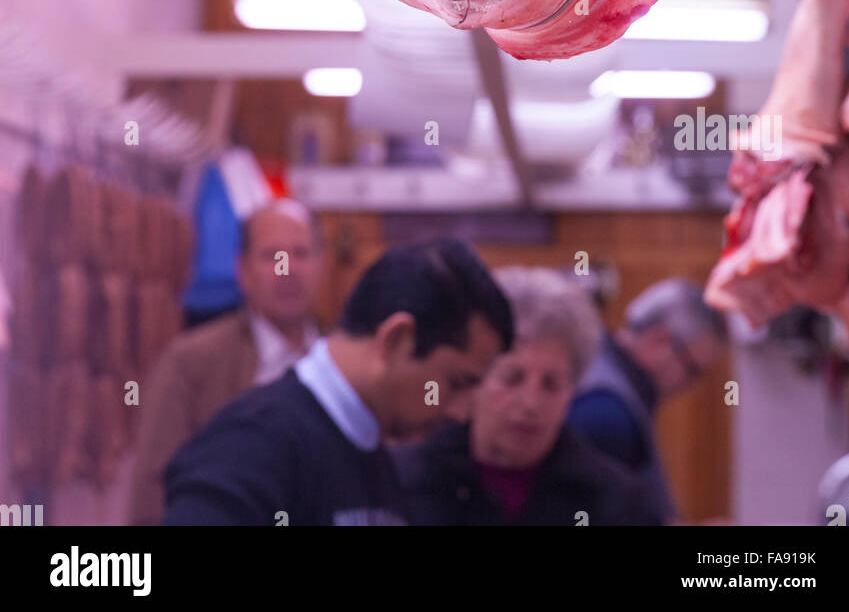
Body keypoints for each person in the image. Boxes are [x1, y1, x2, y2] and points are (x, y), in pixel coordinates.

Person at [162, 236, 513, 526]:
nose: (459, 412)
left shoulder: (371, 454)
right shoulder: (254, 443)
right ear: (396, 341)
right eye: (455, 383)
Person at [394, 267, 665, 525]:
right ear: (474, 382)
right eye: (512, 379)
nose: (531, 403)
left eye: (551, 384)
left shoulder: (616, 502)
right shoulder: (402, 483)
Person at [129, 198, 321, 525]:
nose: (287, 269)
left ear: (322, 264)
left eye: (300, 254)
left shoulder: (339, 363)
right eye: (272, 256)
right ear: (242, 271)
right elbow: (152, 490)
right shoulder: (190, 362)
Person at [567, 277, 727, 522]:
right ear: (659, 340)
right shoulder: (609, 414)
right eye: (692, 369)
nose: (691, 385)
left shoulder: (601, 365)